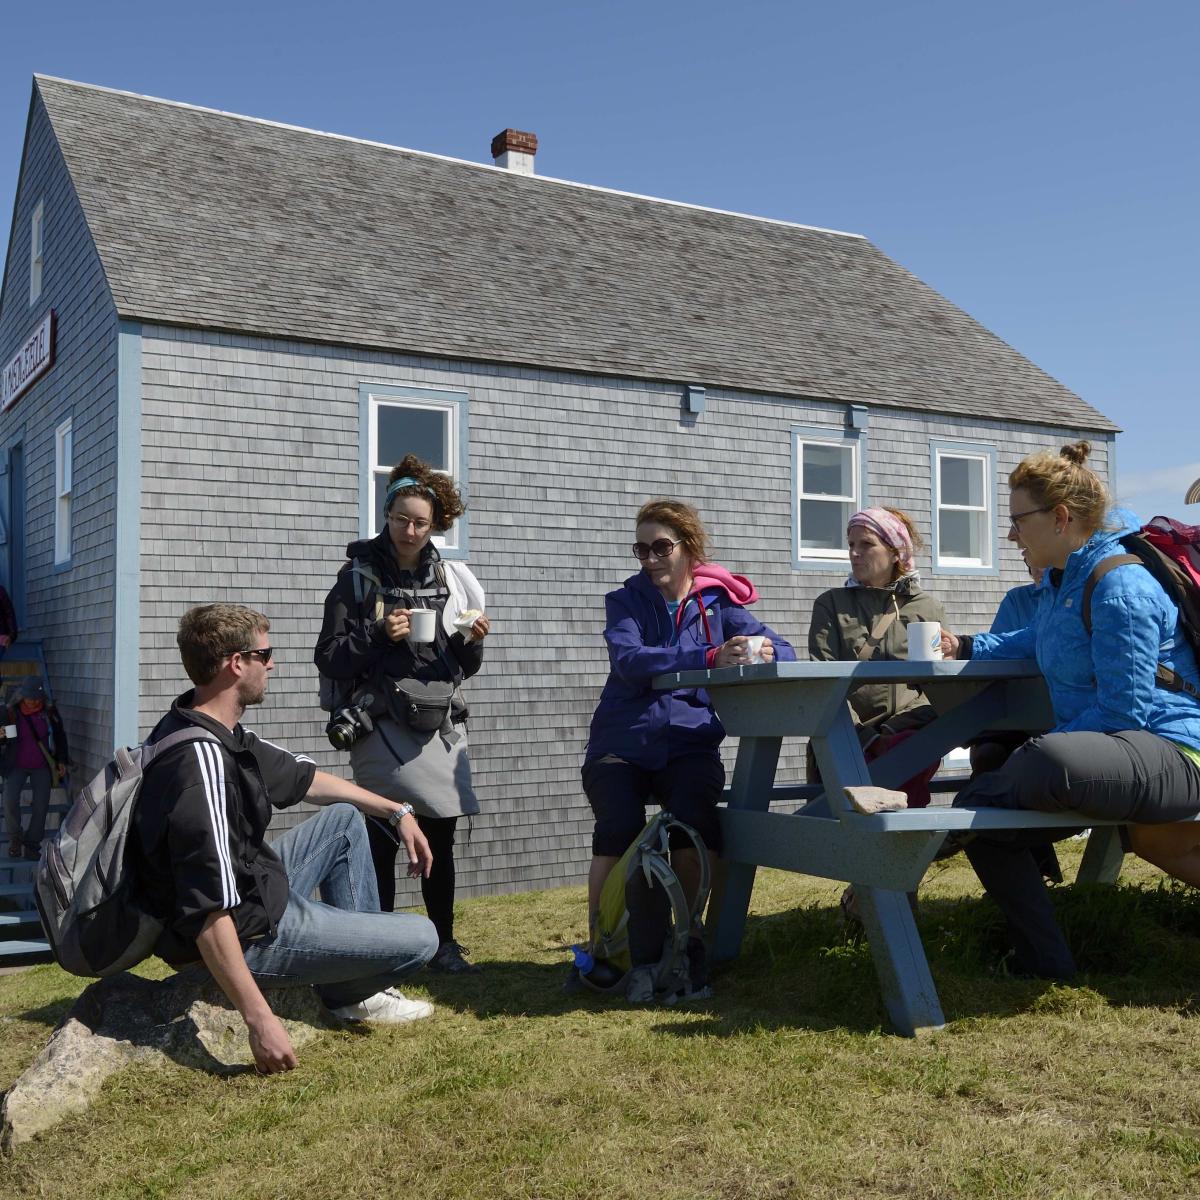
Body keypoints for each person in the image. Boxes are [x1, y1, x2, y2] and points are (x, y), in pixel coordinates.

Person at [850, 442, 1200, 980]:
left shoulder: (1119, 585)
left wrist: (1032, 757)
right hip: (1111, 756)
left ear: (1060, 519)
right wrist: (963, 644)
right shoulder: (1067, 583)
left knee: (1040, 759)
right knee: (989, 825)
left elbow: (1122, 714)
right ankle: (1046, 965)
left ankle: (926, 835)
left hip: (1172, 752)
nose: (1011, 535)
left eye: (1017, 521)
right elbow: (1031, 639)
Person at [131, 603, 440, 1074]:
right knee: (423, 938)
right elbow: (208, 909)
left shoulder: (202, 724)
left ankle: (357, 980)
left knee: (343, 819)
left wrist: (396, 811)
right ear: (237, 663)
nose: (272, 663)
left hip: (259, 890)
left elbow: (305, 778)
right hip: (251, 934)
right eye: (265, 653)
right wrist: (260, 1020)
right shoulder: (199, 766)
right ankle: (345, 992)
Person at [580, 498, 796, 990]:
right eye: (641, 549)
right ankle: (602, 944)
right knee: (617, 825)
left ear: (689, 549)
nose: (650, 559)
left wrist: (758, 650)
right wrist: (710, 655)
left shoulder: (720, 605)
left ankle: (693, 939)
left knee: (694, 824)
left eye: (661, 547)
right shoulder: (625, 601)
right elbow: (631, 661)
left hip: (689, 741)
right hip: (622, 740)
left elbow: (784, 649)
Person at [315, 454, 489, 975]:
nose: (409, 530)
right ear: (385, 516)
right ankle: (383, 949)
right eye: (400, 520)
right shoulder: (357, 577)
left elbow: (462, 666)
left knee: (441, 834)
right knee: (382, 837)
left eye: (420, 522)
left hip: (437, 721)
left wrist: (472, 642)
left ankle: (442, 944)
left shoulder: (452, 578)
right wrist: (377, 634)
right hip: (379, 722)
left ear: (435, 524)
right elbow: (329, 655)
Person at [808, 507, 948, 806]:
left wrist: (892, 731)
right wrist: (866, 738)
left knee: (910, 749)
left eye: (866, 544)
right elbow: (822, 680)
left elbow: (940, 686)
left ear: (896, 552)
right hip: (844, 734)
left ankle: (906, 840)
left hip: (909, 731)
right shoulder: (830, 604)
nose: (854, 553)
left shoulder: (927, 607)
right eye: (851, 545)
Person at [3, 680, 70, 859]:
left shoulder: (48, 711)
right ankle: (15, 839)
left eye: (35, 698)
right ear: (22, 696)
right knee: (9, 801)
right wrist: (3, 734)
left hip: (42, 765)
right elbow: (7, 740)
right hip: (15, 764)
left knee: (41, 806)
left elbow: (59, 736)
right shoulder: (11, 712)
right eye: (29, 698)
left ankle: (32, 844)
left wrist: (61, 760)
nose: (32, 702)